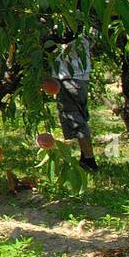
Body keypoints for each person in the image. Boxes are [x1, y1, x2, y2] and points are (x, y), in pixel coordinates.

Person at [49, 29, 99, 172]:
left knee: (77, 123)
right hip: (82, 79)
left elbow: (51, 45)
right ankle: (85, 158)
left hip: (68, 79)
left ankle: (90, 162)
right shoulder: (88, 27)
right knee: (81, 118)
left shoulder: (64, 27)